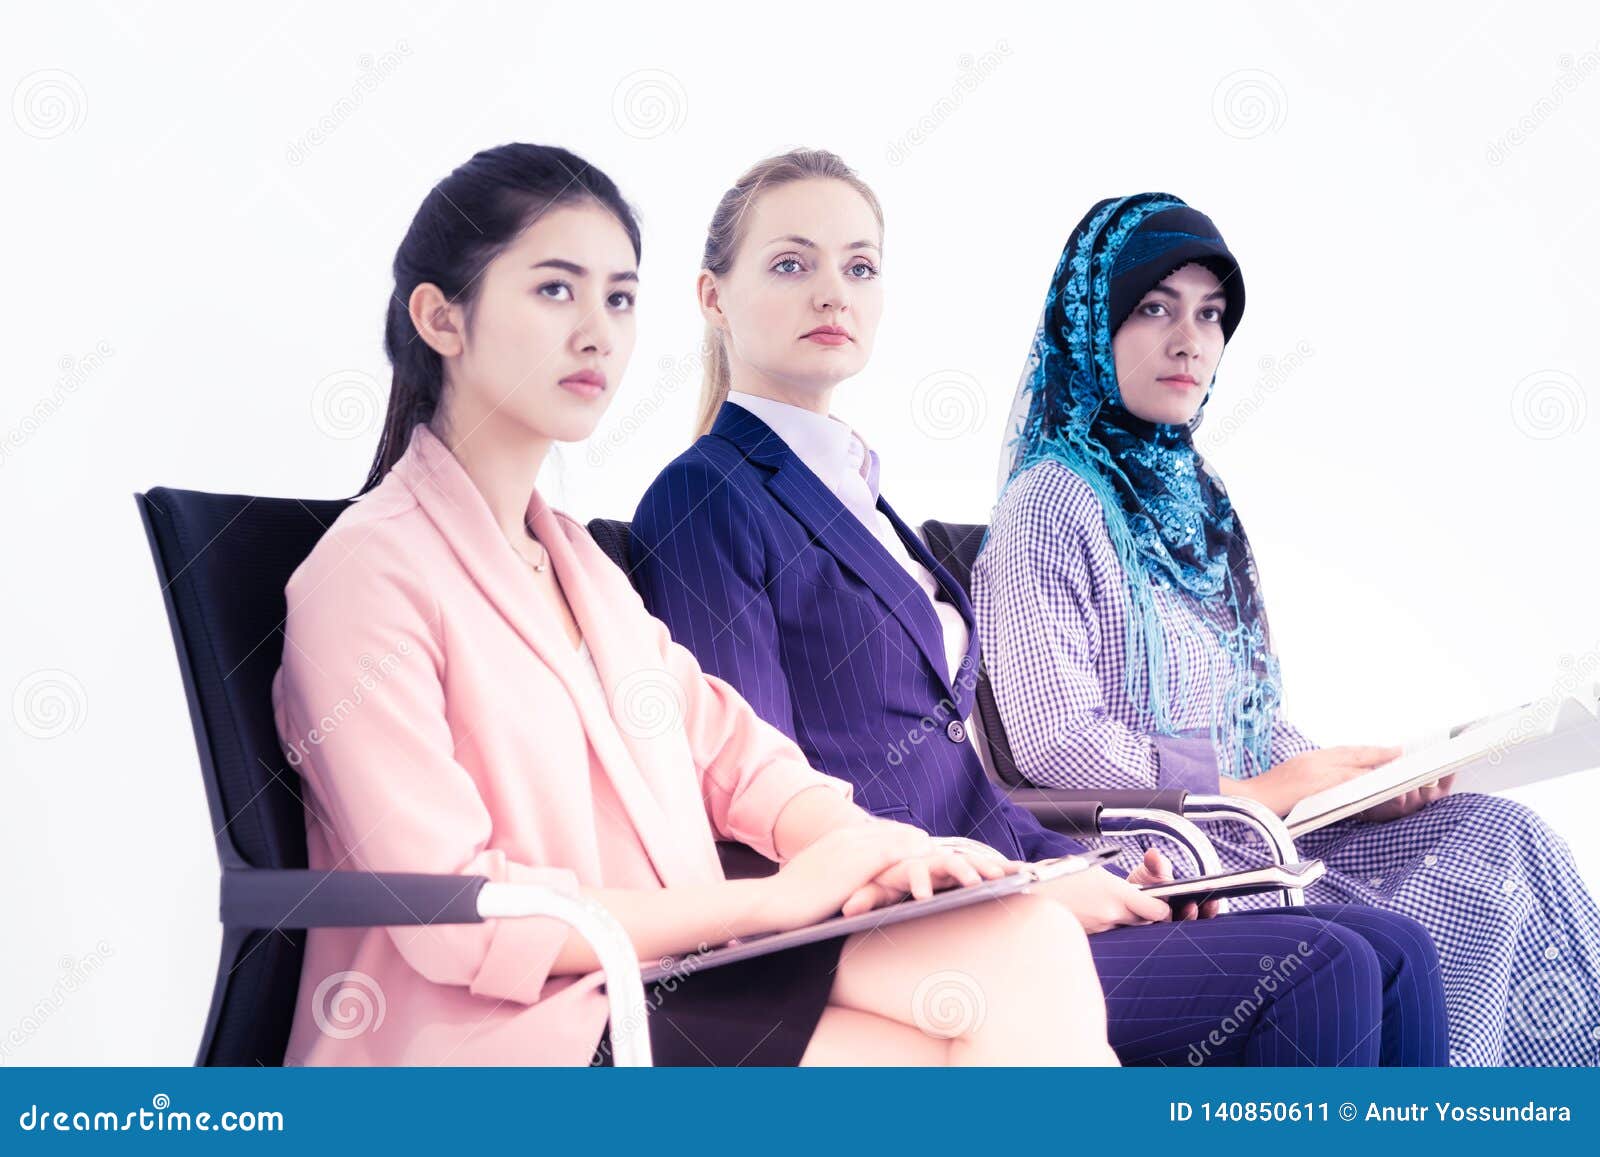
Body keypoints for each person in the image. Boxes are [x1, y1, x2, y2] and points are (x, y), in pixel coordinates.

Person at [271, 142, 1118, 1068]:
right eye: (556, 289)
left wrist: (870, 846)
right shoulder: (367, 575)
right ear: (441, 317)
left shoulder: (578, 566)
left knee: (1028, 942)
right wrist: (766, 901)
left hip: (673, 971)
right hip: (504, 1031)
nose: (598, 331)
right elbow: (452, 919)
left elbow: (735, 756)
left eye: (620, 298)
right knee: (928, 1063)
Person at [631, 148, 1451, 1066]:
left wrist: (1092, 869)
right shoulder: (706, 497)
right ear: (712, 296)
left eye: (859, 266)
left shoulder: (865, 495)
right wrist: (1021, 892)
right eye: (792, 263)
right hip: (908, 928)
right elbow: (763, 798)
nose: (834, 294)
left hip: (1006, 882)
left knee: (1398, 953)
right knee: (1322, 965)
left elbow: (963, 779)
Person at [975, 190, 1600, 1066]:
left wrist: (1358, 777)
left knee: (1503, 837)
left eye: (1210, 314)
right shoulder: (1048, 505)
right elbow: (1052, 740)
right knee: (1473, 888)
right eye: (1154, 308)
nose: (1189, 339)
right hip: (1157, 848)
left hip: (1262, 822)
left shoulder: (1203, 505)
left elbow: (1255, 720)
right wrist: (1249, 788)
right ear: (1090, 325)